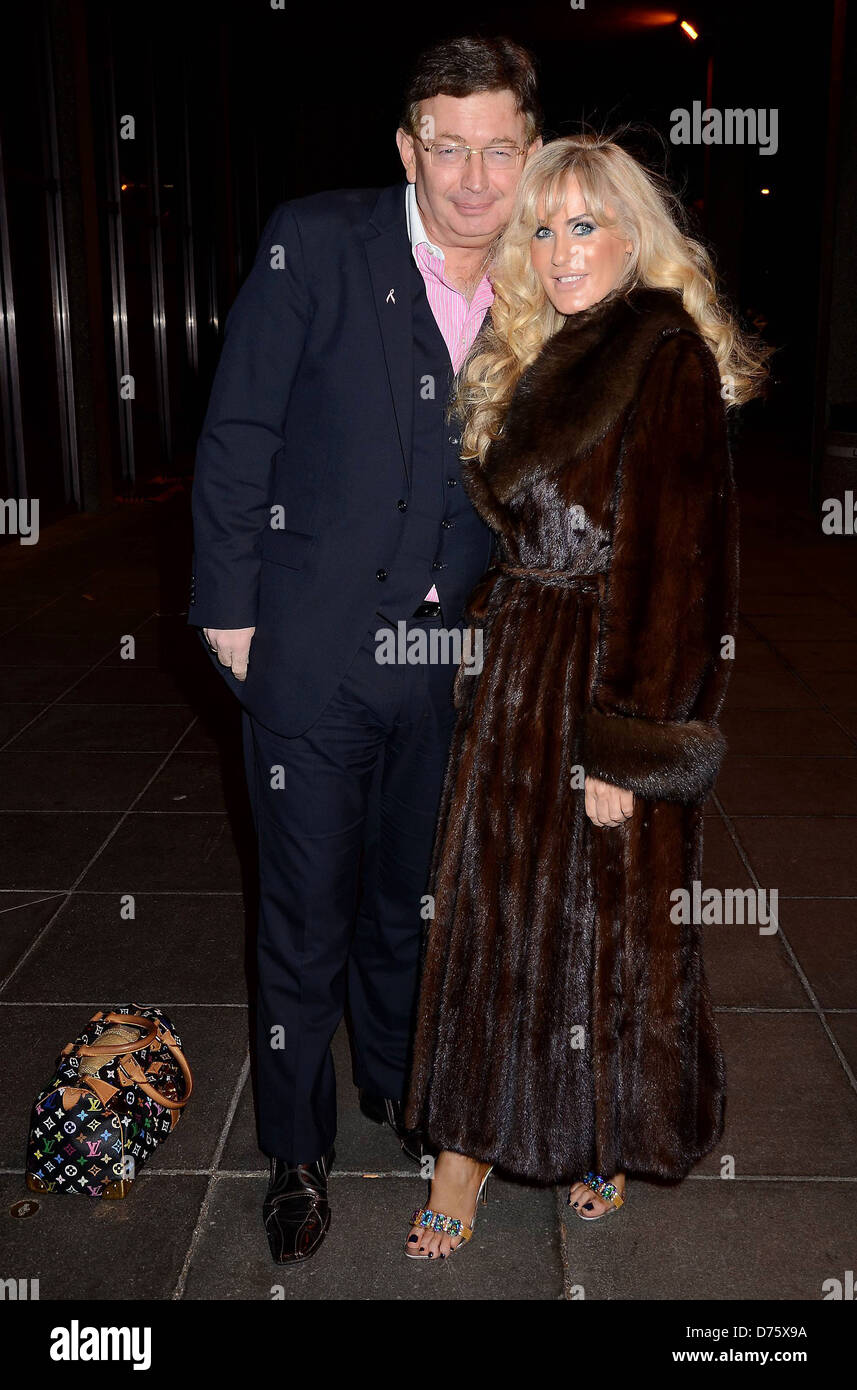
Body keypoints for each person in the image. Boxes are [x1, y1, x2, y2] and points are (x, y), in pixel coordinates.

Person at [187, 35, 544, 1263]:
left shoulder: (546, 280)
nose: (473, 177)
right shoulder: (317, 240)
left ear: (529, 151)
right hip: (308, 650)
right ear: (408, 148)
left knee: (406, 907)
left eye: (499, 148)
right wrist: (228, 615)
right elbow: (237, 433)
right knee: (303, 916)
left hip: (444, 667)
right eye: (447, 147)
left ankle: (393, 1082)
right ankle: (294, 1146)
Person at [403, 133, 770, 1259]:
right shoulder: (540, 344)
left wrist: (625, 747)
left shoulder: (659, 349)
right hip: (519, 674)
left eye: (583, 225)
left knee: (599, 929)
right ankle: (467, 1145)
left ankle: (596, 1131)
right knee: (491, 917)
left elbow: (680, 568)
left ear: (631, 237)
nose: (560, 250)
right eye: (545, 226)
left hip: (605, 679)